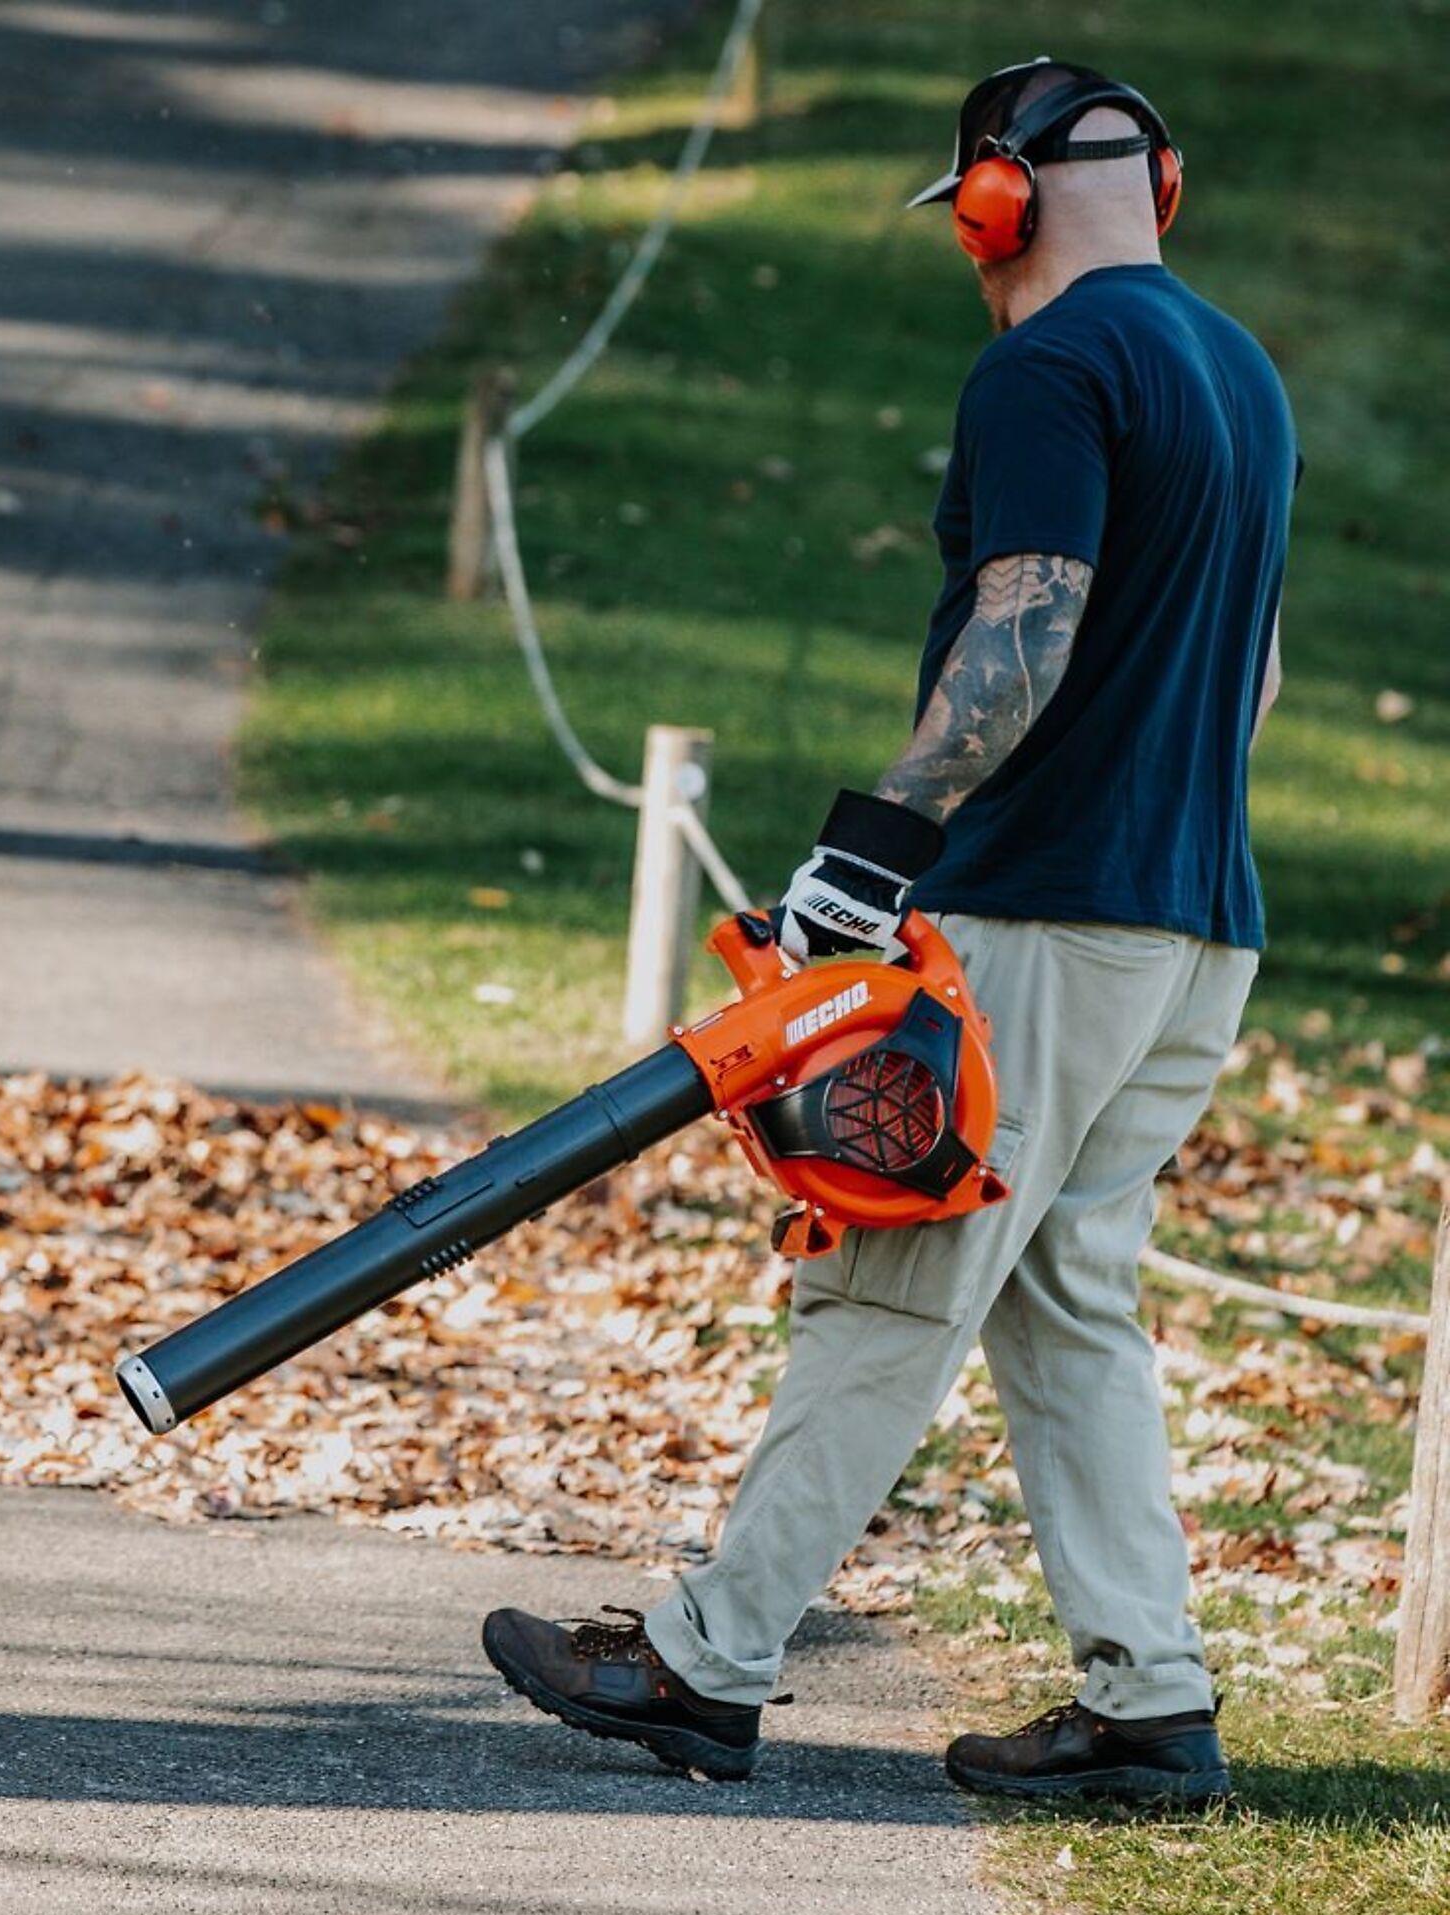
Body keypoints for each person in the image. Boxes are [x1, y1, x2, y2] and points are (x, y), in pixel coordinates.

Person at [483, 58, 1298, 1805]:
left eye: (970, 218)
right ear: (1162, 187)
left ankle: (704, 1666)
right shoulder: (1244, 372)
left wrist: (872, 852)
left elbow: (1027, 632)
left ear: (995, 200)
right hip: (1196, 930)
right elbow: (1258, 679)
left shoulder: (1049, 365)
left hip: (1040, 916)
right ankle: (1151, 1707)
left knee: (888, 1282)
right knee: (1070, 1302)